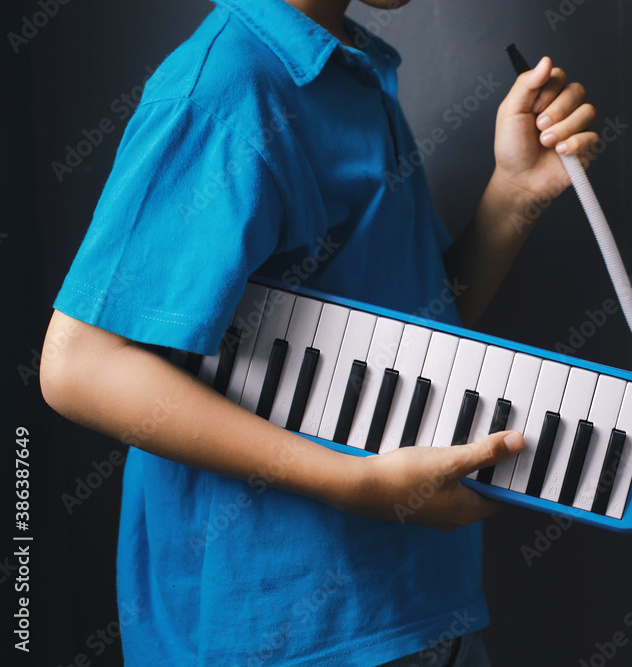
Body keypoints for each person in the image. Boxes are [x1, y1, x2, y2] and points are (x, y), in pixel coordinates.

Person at [40, 0, 599, 664]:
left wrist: (514, 193)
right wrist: (353, 483)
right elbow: (80, 365)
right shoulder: (225, 90)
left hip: (417, 610)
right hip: (277, 638)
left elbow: (418, 329)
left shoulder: (346, 70)